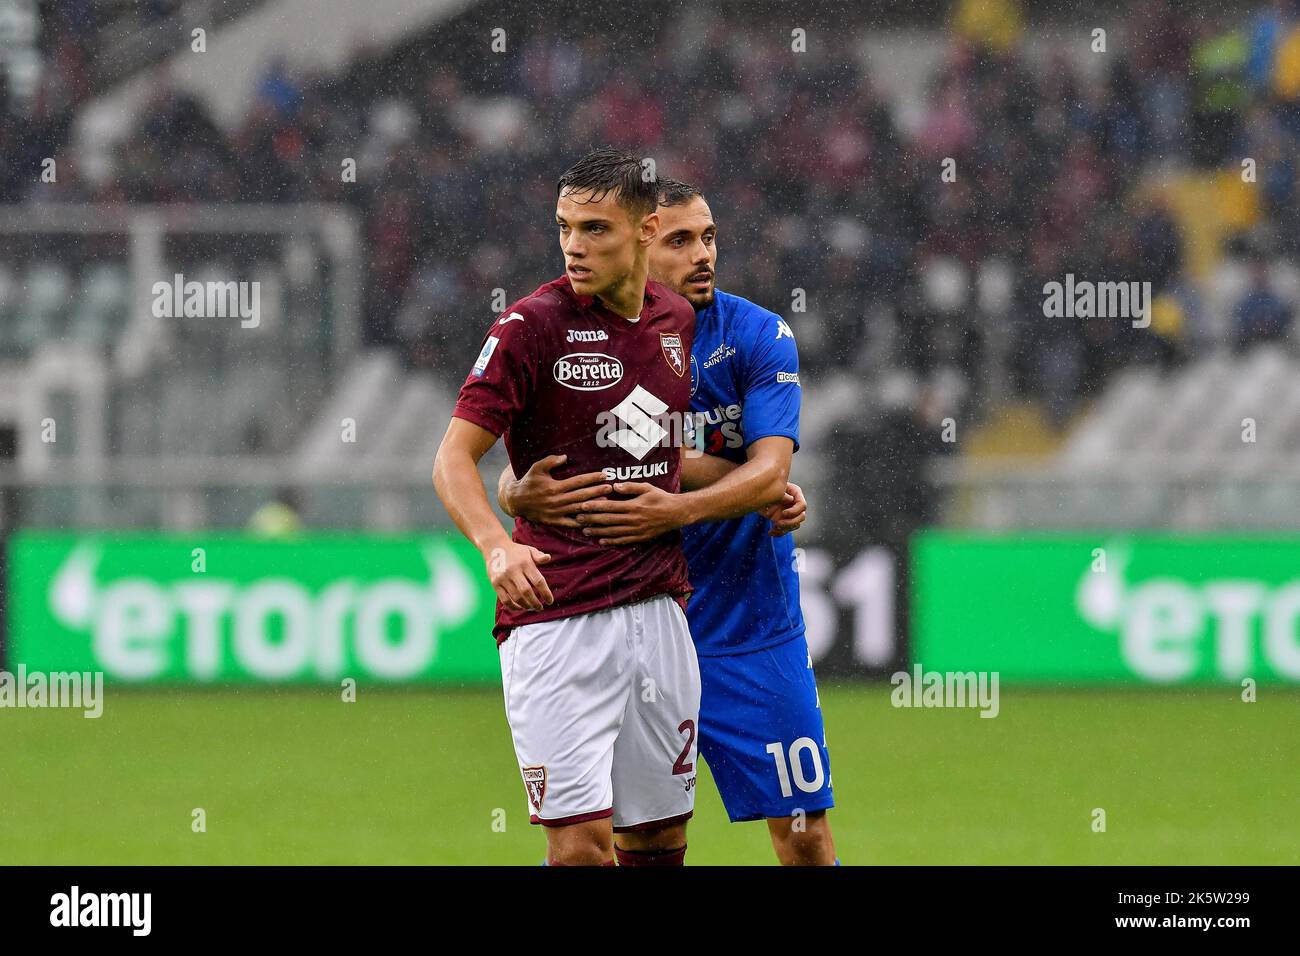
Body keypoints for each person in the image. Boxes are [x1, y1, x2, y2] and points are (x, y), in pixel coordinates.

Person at [500, 180, 838, 864]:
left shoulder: (756, 335)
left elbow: (771, 470)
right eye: (680, 241)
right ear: (640, 246)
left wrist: (699, 501)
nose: (702, 254)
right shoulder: (618, 346)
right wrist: (513, 494)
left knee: (805, 838)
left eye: (708, 237)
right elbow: (566, 460)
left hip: (750, 628)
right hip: (636, 615)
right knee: (608, 842)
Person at [433, 148, 702, 866]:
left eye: (595, 229)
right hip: (558, 617)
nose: (575, 247)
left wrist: (759, 483)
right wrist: (499, 543)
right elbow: (453, 460)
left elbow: (660, 444)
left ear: (646, 231)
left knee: (658, 837)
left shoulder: (676, 318)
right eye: (564, 228)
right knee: (580, 847)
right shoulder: (529, 328)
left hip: (658, 614)